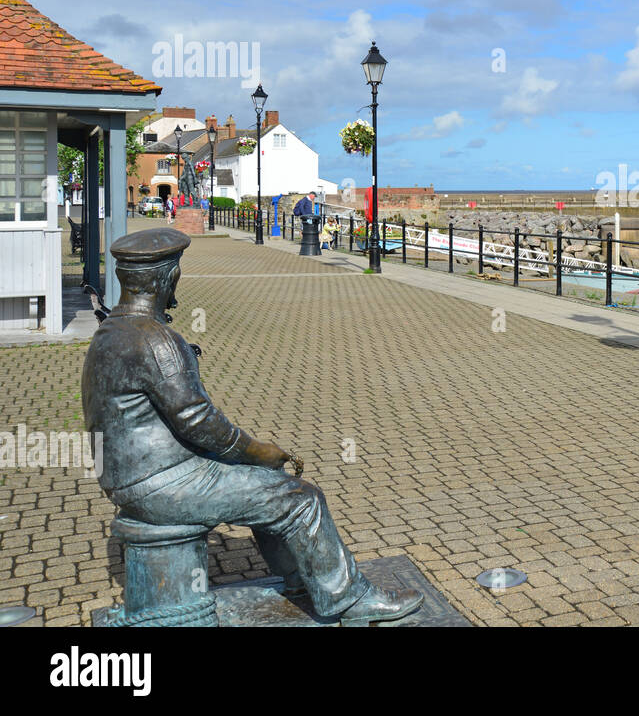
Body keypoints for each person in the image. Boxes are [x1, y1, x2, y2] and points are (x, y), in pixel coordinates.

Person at [81, 229, 423, 624]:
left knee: (268, 483)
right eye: (176, 273)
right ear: (165, 278)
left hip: (129, 476)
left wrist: (257, 461)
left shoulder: (112, 331)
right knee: (302, 499)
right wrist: (261, 450)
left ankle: (301, 577)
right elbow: (201, 424)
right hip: (161, 482)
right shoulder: (156, 341)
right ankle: (349, 599)